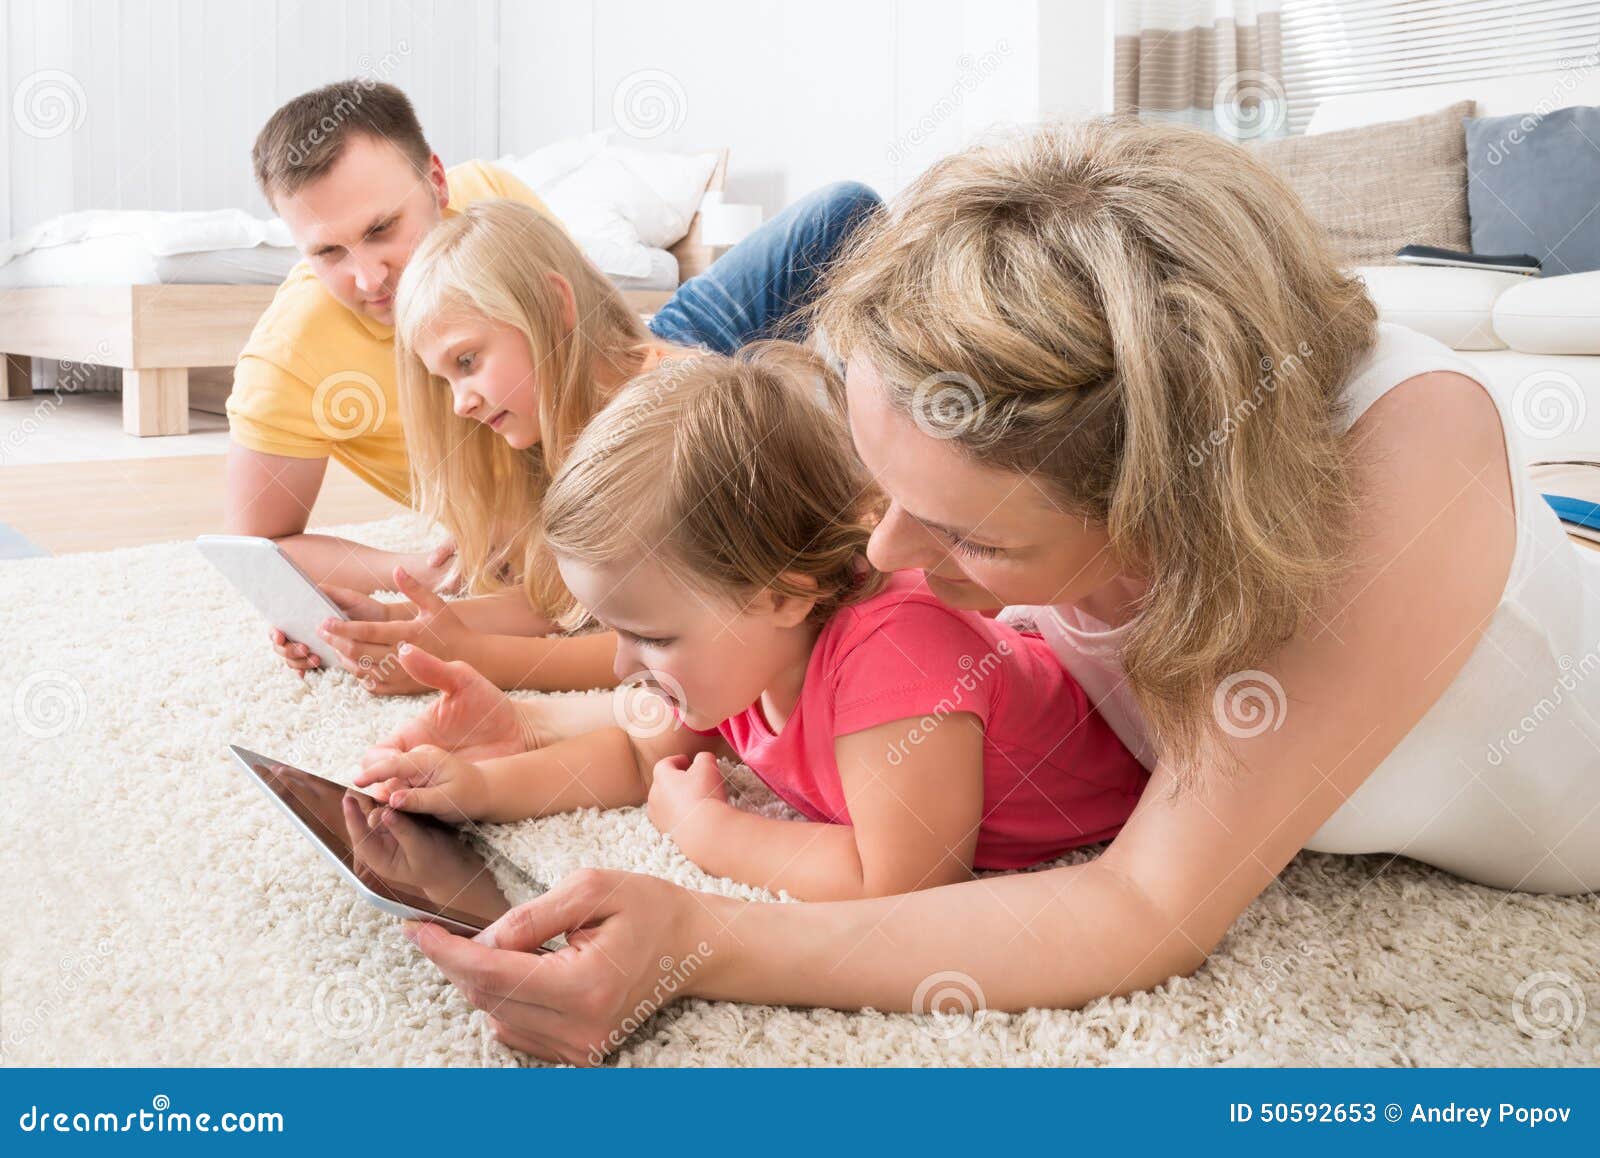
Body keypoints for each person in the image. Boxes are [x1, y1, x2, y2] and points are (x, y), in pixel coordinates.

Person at [402, 119, 1600, 1065]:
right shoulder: (1011, 465)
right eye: (886, 491)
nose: (880, 561)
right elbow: (757, 677)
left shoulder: (1395, 469)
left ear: (1158, 503)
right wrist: (532, 733)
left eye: (970, 537)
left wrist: (703, 935)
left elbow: (1145, 906)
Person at [354, 346, 1147, 900]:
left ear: (783, 593)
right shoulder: (750, 651)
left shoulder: (896, 657)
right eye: (619, 630)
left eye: (655, 636)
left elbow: (900, 880)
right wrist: (480, 787)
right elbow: (640, 757)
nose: (625, 662)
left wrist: (712, 834)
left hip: (1129, 755)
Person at [298, 187, 881, 694]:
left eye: (468, 360)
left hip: (691, 385)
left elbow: (657, 643)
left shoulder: (672, 439)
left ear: (554, 306)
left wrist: (475, 656)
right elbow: (561, 602)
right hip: (637, 360)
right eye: (443, 377)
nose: (459, 403)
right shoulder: (541, 428)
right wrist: (394, 620)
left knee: (843, 208)